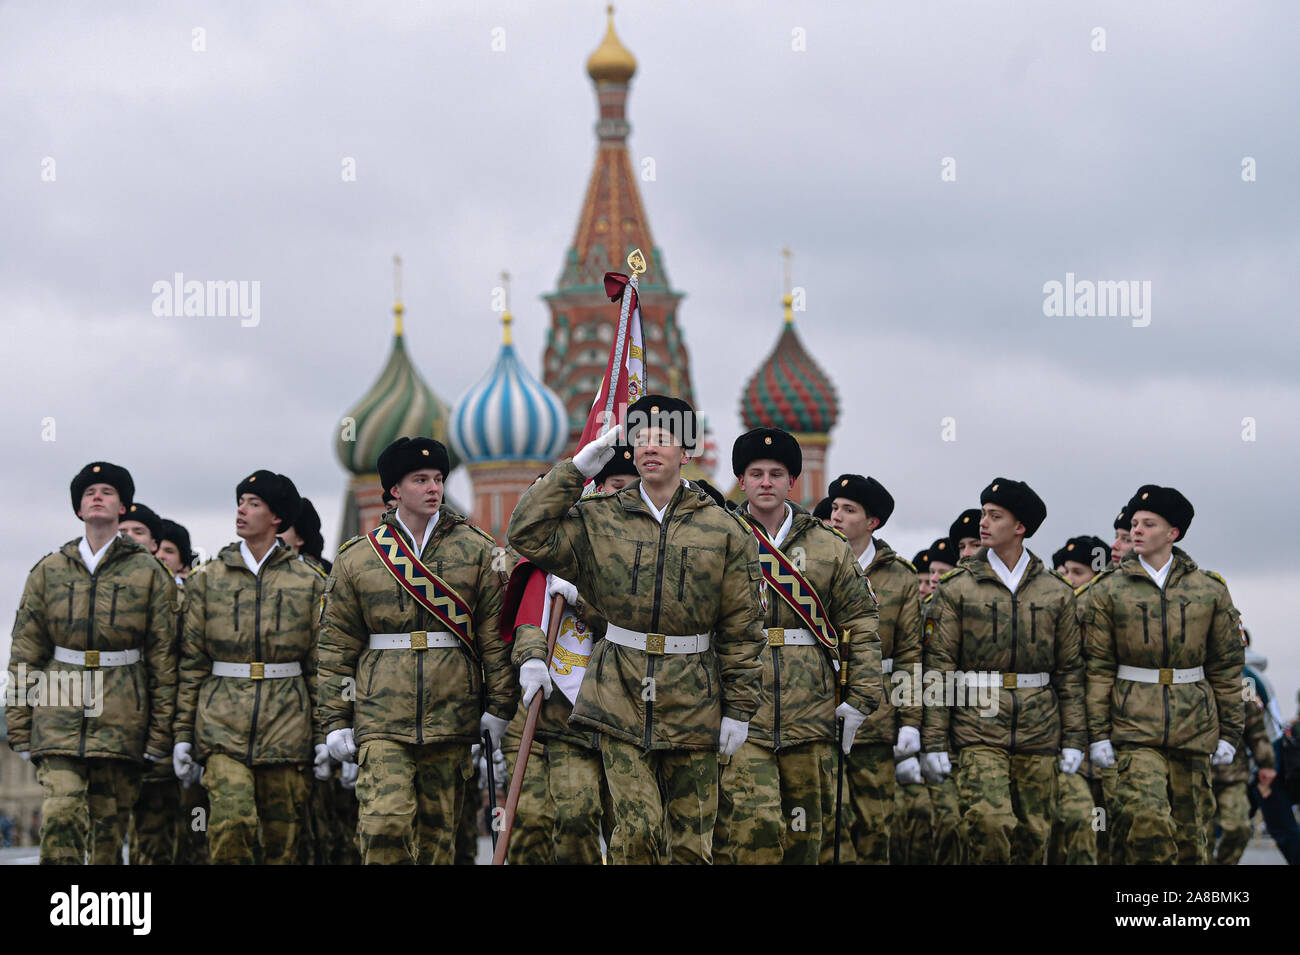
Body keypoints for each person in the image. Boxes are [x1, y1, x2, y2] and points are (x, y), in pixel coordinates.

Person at [507, 395, 766, 864]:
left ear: (686, 452)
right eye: (642, 436)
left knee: (691, 844)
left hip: (694, 697)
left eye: (663, 438)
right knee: (637, 832)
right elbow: (526, 534)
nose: (650, 447)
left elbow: (742, 628)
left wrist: (740, 708)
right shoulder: (599, 517)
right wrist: (574, 471)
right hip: (619, 693)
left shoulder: (724, 530)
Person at [317, 437, 514, 864]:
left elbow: (493, 638)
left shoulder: (477, 549)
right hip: (380, 716)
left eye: (439, 479)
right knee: (384, 825)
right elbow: (336, 647)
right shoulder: (359, 558)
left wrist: (498, 709)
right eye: (420, 479)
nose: (433, 488)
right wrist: (334, 719)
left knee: (437, 840)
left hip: (452, 714)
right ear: (394, 490)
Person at [713, 441, 882, 865]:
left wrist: (860, 700)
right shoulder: (718, 537)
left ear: (793, 481)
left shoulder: (828, 545)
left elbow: (860, 622)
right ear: (741, 481)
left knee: (805, 835)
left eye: (776, 474)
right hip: (742, 708)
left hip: (812, 713)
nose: (766, 482)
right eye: (756, 474)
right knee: (756, 829)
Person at [5, 462, 177, 864]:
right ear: (79, 510)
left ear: (124, 507)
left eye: (107, 491)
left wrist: (160, 733)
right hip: (58, 713)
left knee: (107, 832)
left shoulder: (149, 573)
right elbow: (25, 650)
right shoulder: (49, 571)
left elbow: (164, 659)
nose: (97, 496)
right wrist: (19, 723)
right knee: (61, 811)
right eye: (88, 493)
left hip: (121, 719)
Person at [922, 477, 1086, 864]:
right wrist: (933, 738)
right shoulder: (956, 587)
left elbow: (1070, 671)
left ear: (1020, 527)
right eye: (983, 514)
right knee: (990, 823)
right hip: (977, 724)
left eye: (995, 516)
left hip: (1039, 729)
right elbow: (939, 666)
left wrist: (1076, 738)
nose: (983, 522)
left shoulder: (1055, 591)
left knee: (1034, 832)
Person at [1085, 485, 1245, 864]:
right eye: (1134, 523)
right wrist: (1096, 734)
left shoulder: (1209, 591)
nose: (1136, 530)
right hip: (1132, 728)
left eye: (1148, 524)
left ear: (1173, 533)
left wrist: (1230, 733)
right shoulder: (1108, 590)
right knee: (1147, 821)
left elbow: (1225, 667)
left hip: (1193, 727)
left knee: (1191, 837)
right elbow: (1097, 668)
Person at [173, 470, 324, 864]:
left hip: (288, 726)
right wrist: (182, 734)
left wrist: (325, 734)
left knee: (283, 839)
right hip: (221, 725)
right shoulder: (207, 580)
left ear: (277, 518)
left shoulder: (309, 582)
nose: (241, 510)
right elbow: (191, 663)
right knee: (232, 821)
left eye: (253, 504)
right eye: (240, 501)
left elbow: (320, 667)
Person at [499, 451, 634, 864]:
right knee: (570, 818)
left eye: (631, 487)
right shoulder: (557, 554)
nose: (623, 496)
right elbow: (527, 618)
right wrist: (529, 663)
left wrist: (586, 603)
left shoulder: (647, 552)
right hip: (562, 713)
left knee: (632, 829)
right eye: (615, 485)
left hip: (629, 707)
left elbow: (639, 627)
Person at [828, 472, 918, 864]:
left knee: (874, 824)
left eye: (849, 510)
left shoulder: (901, 576)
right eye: (834, 508)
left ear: (872, 522)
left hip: (877, 717)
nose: (837, 516)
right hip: (821, 707)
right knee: (829, 823)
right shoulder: (814, 564)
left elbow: (911, 656)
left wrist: (912, 722)